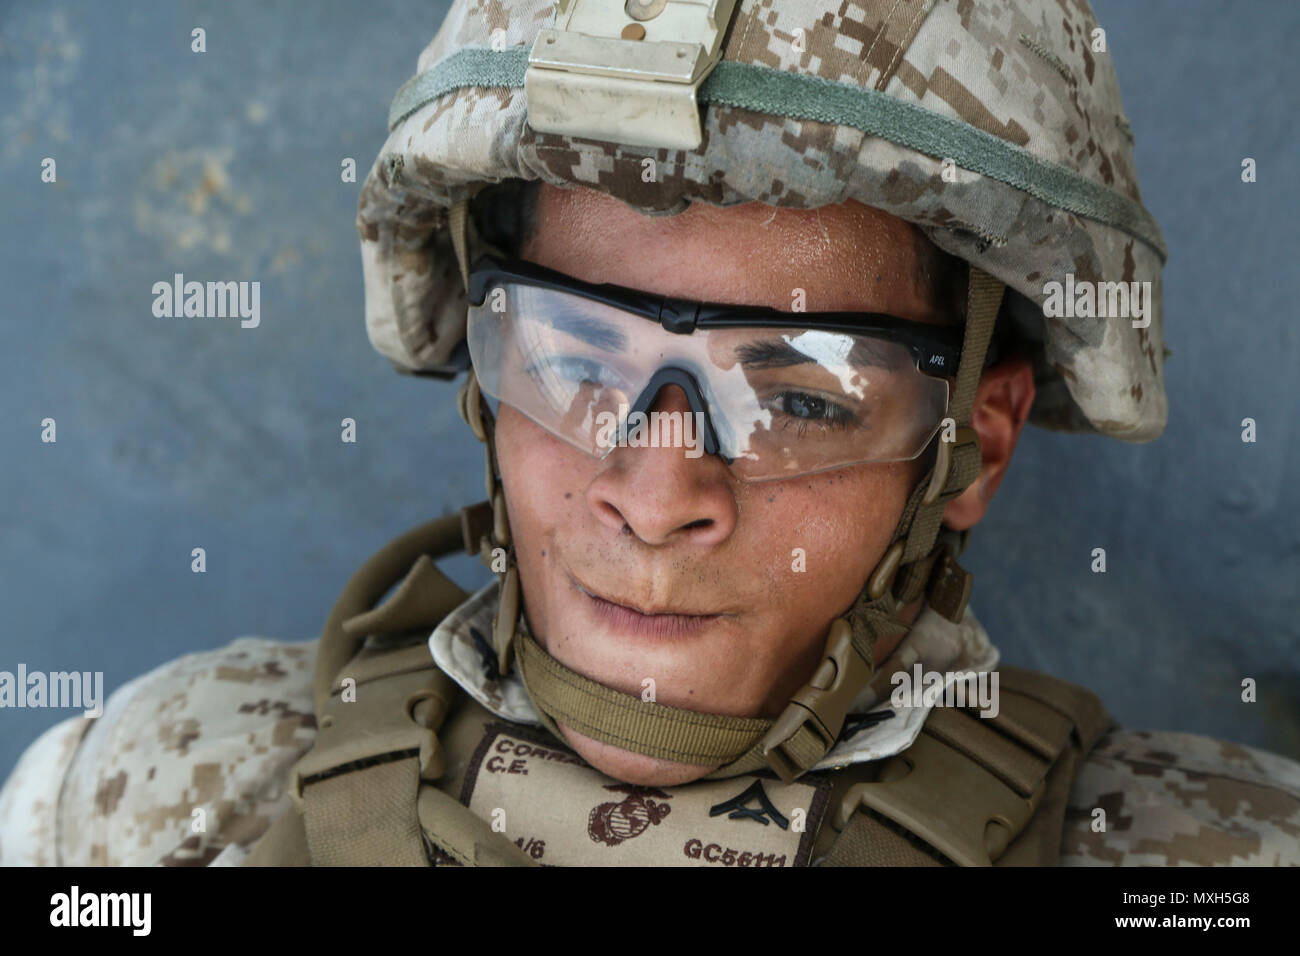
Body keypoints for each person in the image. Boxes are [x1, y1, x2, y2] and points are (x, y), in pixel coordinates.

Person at [3, 0, 1298, 867]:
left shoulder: (1205, 860)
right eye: (575, 359)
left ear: (976, 447)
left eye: (797, 397)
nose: (660, 490)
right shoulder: (153, 800)